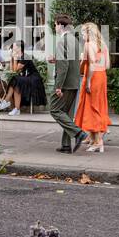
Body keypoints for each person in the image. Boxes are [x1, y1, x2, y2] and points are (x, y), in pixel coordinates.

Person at [47, 15, 86, 153]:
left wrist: (58, 86)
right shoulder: (74, 40)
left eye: (56, 25)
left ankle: (78, 133)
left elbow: (64, 67)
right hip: (74, 82)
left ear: (61, 26)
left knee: (54, 109)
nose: (55, 27)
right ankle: (66, 145)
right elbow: (70, 62)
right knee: (67, 113)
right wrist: (56, 60)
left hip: (65, 83)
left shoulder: (62, 41)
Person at [74, 22, 111, 152]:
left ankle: (98, 142)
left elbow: (91, 65)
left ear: (89, 34)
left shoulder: (89, 45)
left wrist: (88, 81)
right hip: (102, 77)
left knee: (91, 108)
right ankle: (93, 137)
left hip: (93, 77)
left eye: (83, 32)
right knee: (99, 106)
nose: (82, 35)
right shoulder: (103, 45)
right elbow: (106, 65)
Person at [0, 40, 46, 116]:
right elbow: (12, 70)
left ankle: (8, 103)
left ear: (19, 48)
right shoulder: (18, 57)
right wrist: (12, 58)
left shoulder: (25, 57)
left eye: (13, 47)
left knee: (16, 80)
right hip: (26, 77)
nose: (12, 48)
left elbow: (15, 70)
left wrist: (14, 58)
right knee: (16, 81)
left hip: (34, 79)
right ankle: (12, 106)